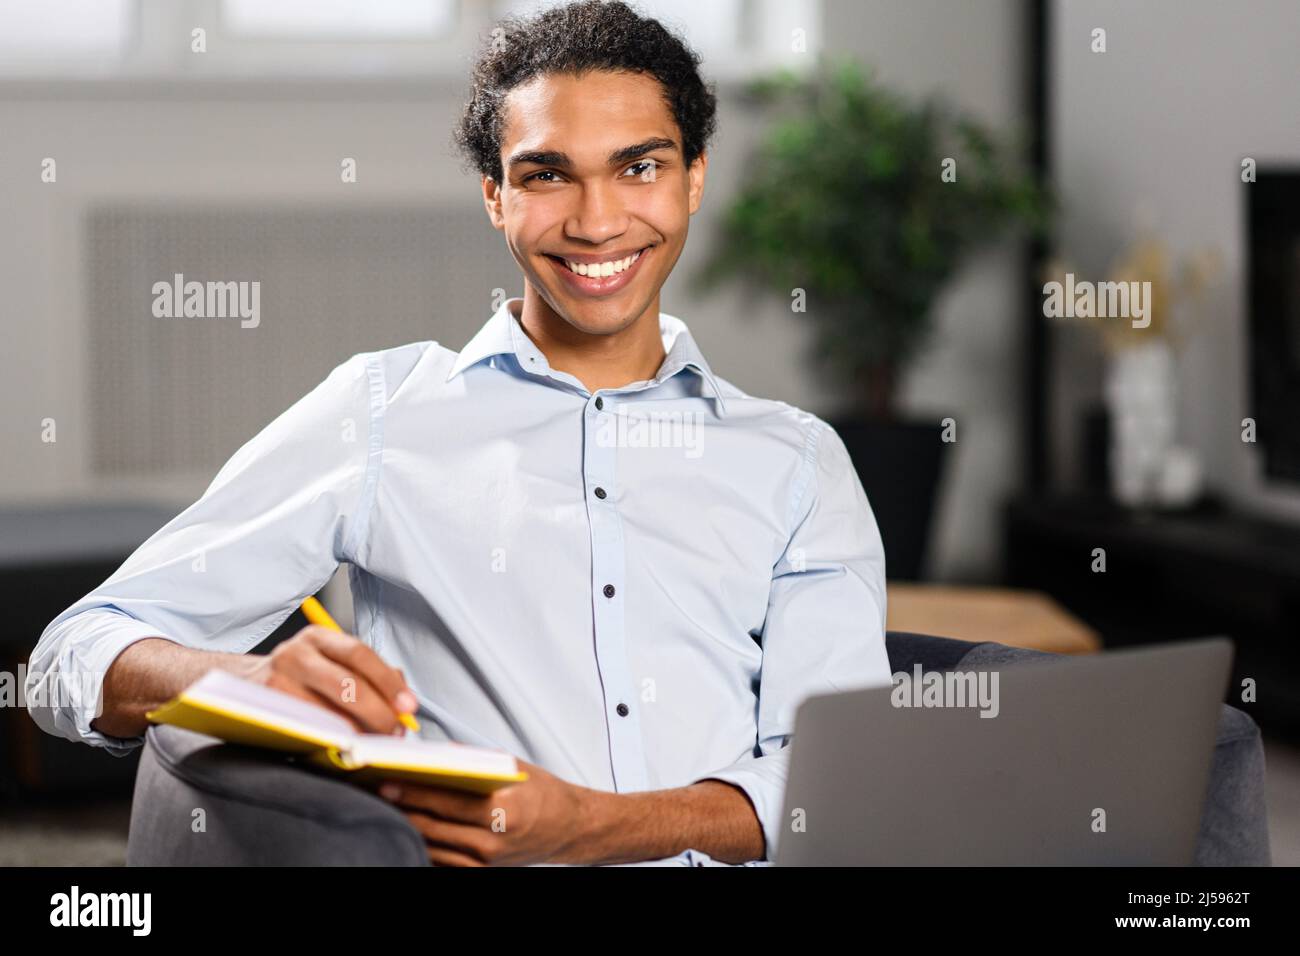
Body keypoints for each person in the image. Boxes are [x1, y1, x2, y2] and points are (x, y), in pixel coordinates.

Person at [26, 0, 890, 867]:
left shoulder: (799, 463)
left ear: (693, 177)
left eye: (638, 168)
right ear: (495, 196)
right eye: (547, 175)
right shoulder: (384, 413)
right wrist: (244, 682)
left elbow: (837, 785)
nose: (595, 222)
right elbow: (70, 658)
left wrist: (588, 824)